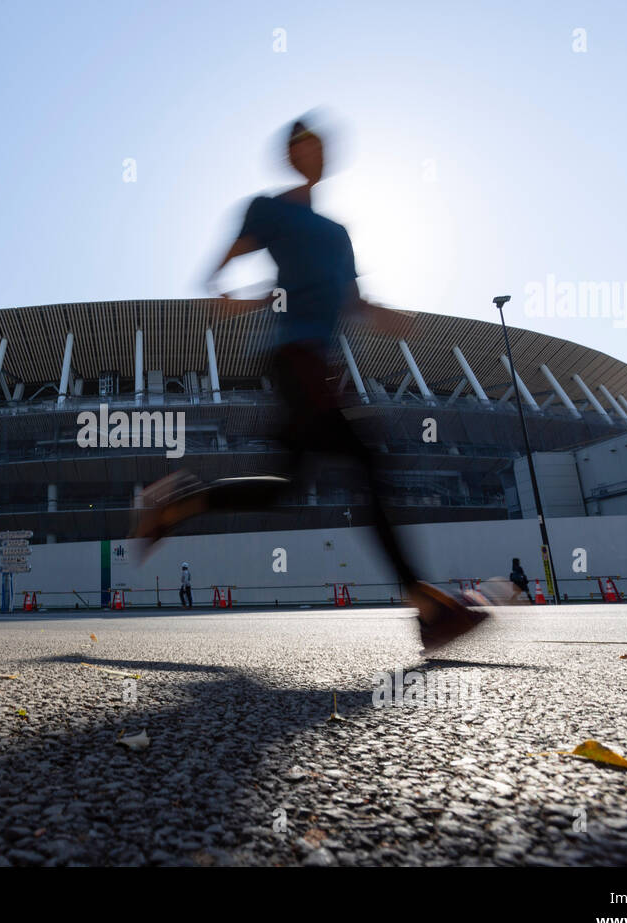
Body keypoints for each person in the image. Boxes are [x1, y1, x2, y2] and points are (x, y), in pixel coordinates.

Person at [132, 116, 487, 650]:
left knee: (287, 487)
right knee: (367, 466)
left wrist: (384, 316)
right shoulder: (269, 210)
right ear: (289, 155)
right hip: (291, 358)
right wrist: (227, 293)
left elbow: (352, 298)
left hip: (315, 363)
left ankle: (176, 505)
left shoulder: (338, 233)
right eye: (302, 146)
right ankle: (426, 605)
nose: (312, 155)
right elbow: (227, 259)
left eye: (320, 147)